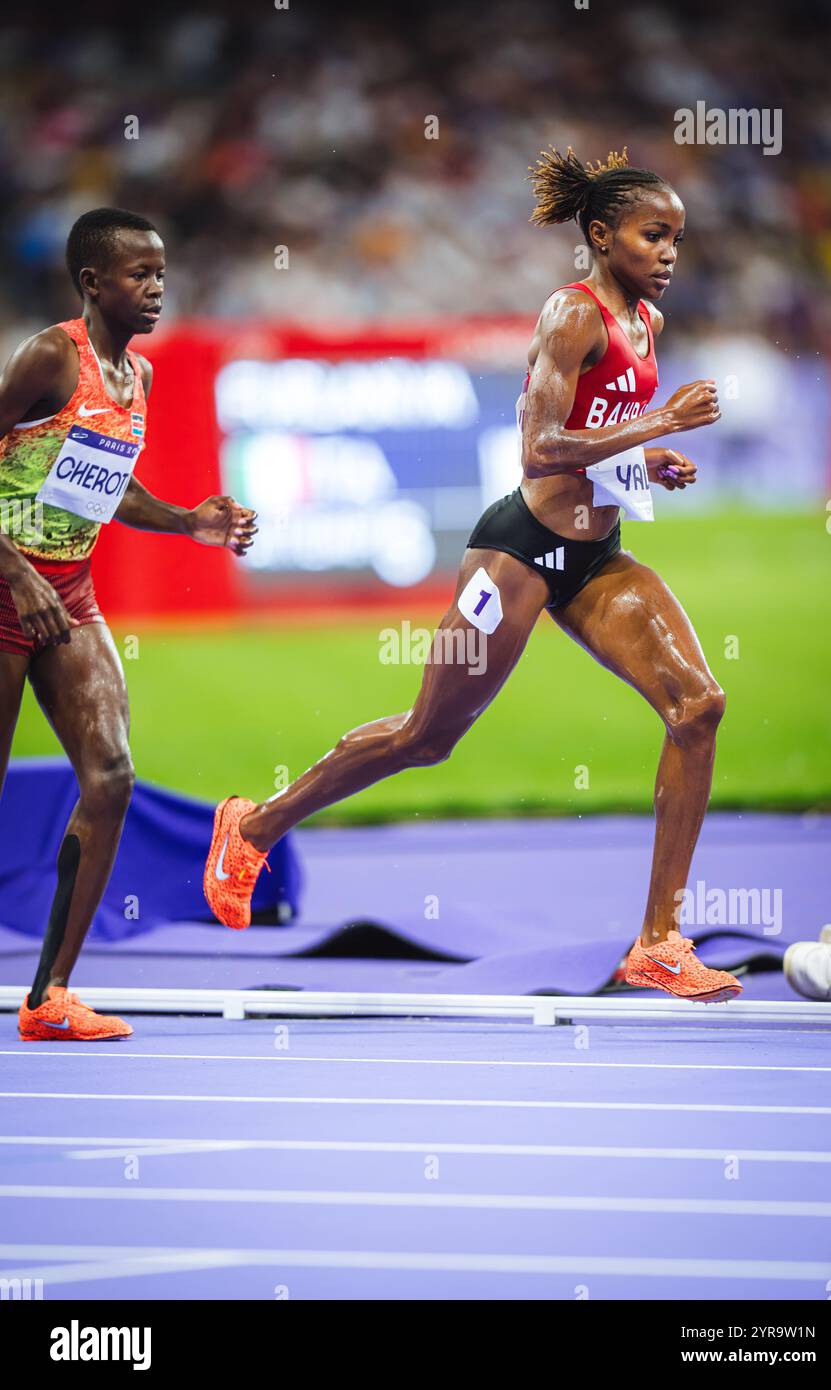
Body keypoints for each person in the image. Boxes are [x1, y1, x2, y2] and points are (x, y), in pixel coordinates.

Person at [204, 147, 741, 1004]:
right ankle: (253, 827)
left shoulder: (648, 323)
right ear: (601, 237)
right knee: (427, 737)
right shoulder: (573, 316)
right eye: (653, 235)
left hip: (595, 558)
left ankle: (660, 940)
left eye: (678, 236)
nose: (672, 252)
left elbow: (598, 433)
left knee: (698, 706)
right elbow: (538, 447)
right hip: (521, 549)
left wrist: (653, 452)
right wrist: (656, 418)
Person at [2, 207, 256, 1040]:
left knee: (110, 778)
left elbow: (97, 491)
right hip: (3, 585)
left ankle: (50, 998)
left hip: (69, 590)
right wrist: (13, 570)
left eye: (161, 274)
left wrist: (190, 522)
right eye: (139, 275)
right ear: (91, 283)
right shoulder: (51, 355)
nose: (156, 289)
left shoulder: (135, 378)